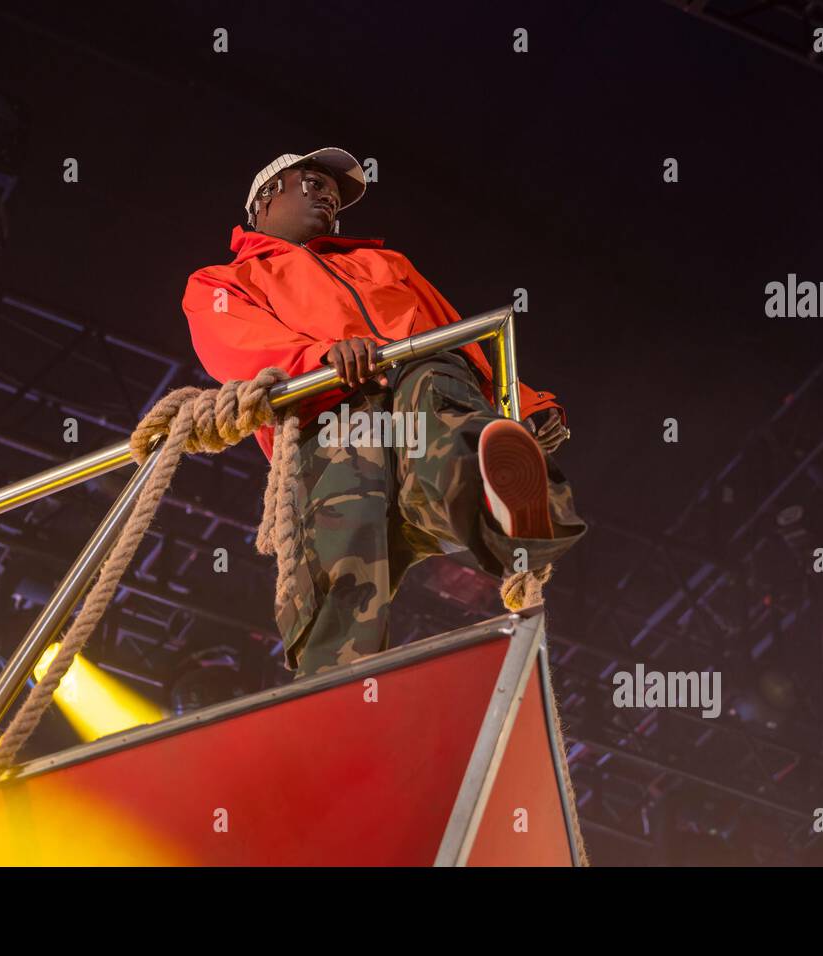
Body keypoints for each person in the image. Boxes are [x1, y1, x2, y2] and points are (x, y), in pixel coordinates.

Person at [182, 147, 586, 677]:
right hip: (332, 415)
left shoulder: (385, 264)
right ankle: (336, 690)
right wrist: (321, 356)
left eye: (333, 191)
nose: (327, 194)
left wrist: (525, 403)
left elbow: (455, 333)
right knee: (345, 549)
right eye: (310, 182)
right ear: (263, 199)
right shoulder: (222, 282)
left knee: (440, 387)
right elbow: (234, 344)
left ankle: (511, 514)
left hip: (421, 388)